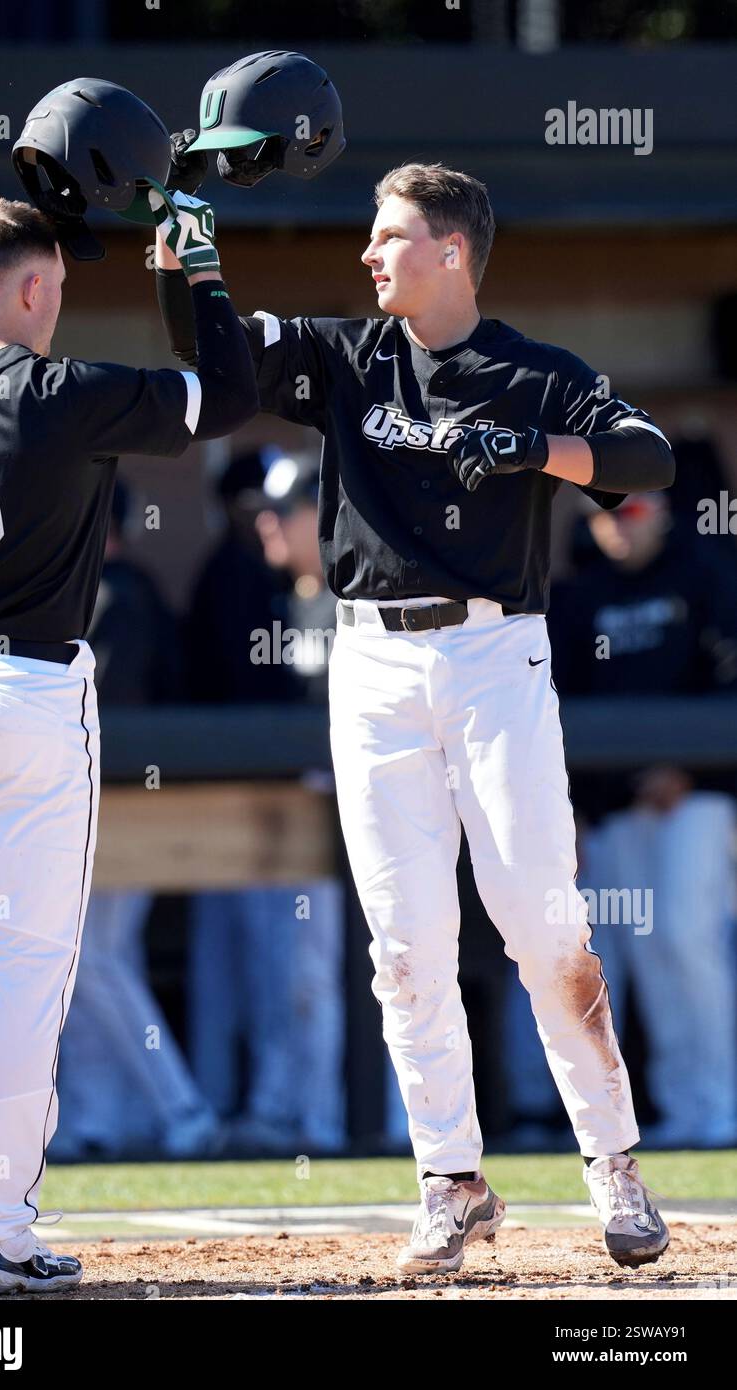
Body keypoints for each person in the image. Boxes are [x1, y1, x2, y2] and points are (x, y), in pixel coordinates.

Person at [157, 141, 675, 1272]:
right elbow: (220, 367)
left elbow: (647, 457)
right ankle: (449, 1179)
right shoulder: (348, 354)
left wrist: (535, 448)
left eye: (388, 234)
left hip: (494, 652)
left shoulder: (531, 369)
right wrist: (185, 263)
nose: (367, 252)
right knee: (402, 942)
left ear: (451, 251)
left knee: (540, 924)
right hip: (372, 663)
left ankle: (612, 1165)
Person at [0, 187, 257, 1295]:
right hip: (29, 691)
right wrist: (193, 267)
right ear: (31, 285)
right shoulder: (68, 391)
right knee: (27, 971)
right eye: (58, 285)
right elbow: (226, 392)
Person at [545, 491, 737, 1149]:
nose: (617, 528)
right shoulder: (578, 595)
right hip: (616, 804)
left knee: (689, 936)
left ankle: (721, 1103)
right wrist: (576, 805)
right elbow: (558, 706)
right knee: (646, 952)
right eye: (603, 515)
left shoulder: (706, 574)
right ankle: (685, 1109)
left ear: (660, 511)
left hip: (698, 795)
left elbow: (725, 683)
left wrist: (689, 768)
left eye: (630, 512)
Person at [52, 481, 225, 1162]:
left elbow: (107, 704)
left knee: (94, 959)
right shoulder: (89, 590)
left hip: (132, 803)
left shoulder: (122, 591)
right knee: (93, 962)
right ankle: (99, 1119)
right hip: (98, 803)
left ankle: (182, 1106)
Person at [187, 453, 347, 1154]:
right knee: (281, 972)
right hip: (283, 816)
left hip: (344, 821)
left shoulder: (357, 601)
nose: (270, 526)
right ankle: (284, 1107)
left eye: (285, 513)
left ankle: (330, 1117)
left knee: (321, 973)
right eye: (265, 514)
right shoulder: (282, 602)